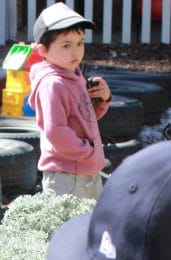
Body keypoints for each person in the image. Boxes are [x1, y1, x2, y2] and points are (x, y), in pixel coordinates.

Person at [28, 2, 111, 201]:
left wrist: (103, 99)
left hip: (86, 170)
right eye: (66, 45)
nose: (76, 52)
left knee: (89, 228)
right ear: (43, 50)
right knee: (69, 229)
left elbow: (83, 117)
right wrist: (88, 152)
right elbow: (56, 131)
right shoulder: (53, 84)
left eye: (80, 43)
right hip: (67, 177)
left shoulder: (73, 75)